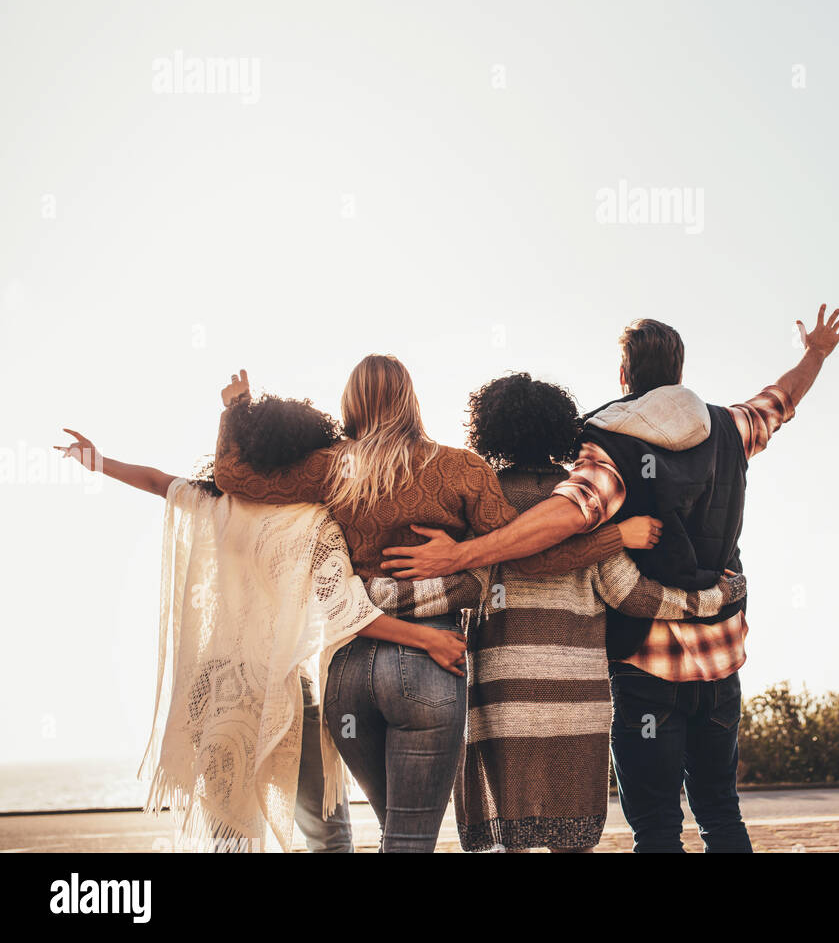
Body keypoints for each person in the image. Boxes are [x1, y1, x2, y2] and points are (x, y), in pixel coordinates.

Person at [382, 304, 839, 852]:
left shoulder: (610, 444)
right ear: (679, 372)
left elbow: (563, 518)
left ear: (624, 375)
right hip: (722, 657)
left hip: (645, 663)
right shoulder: (729, 427)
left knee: (655, 828)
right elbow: (781, 401)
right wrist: (815, 353)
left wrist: (462, 555)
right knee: (722, 812)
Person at [210, 353, 658, 852]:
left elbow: (232, 478)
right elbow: (527, 560)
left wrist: (236, 410)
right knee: (408, 838)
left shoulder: (331, 466)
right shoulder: (461, 470)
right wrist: (615, 537)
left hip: (350, 672)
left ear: (352, 402)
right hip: (430, 663)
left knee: (391, 833)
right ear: (411, 399)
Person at [55, 397, 459, 853]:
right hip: (280, 688)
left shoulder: (217, 503)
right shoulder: (315, 521)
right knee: (329, 837)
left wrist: (98, 461)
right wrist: (428, 638)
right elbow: (348, 610)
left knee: (231, 836)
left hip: (213, 686)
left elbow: (154, 480)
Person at [370, 372, 739, 852]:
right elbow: (632, 595)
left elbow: (461, 587)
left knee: (512, 840)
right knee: (573, 838)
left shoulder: (484, 498)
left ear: (489, 430)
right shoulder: (584, 503)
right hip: (576, 697)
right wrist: (715, 599)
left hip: (504, 697)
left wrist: (372, 593)